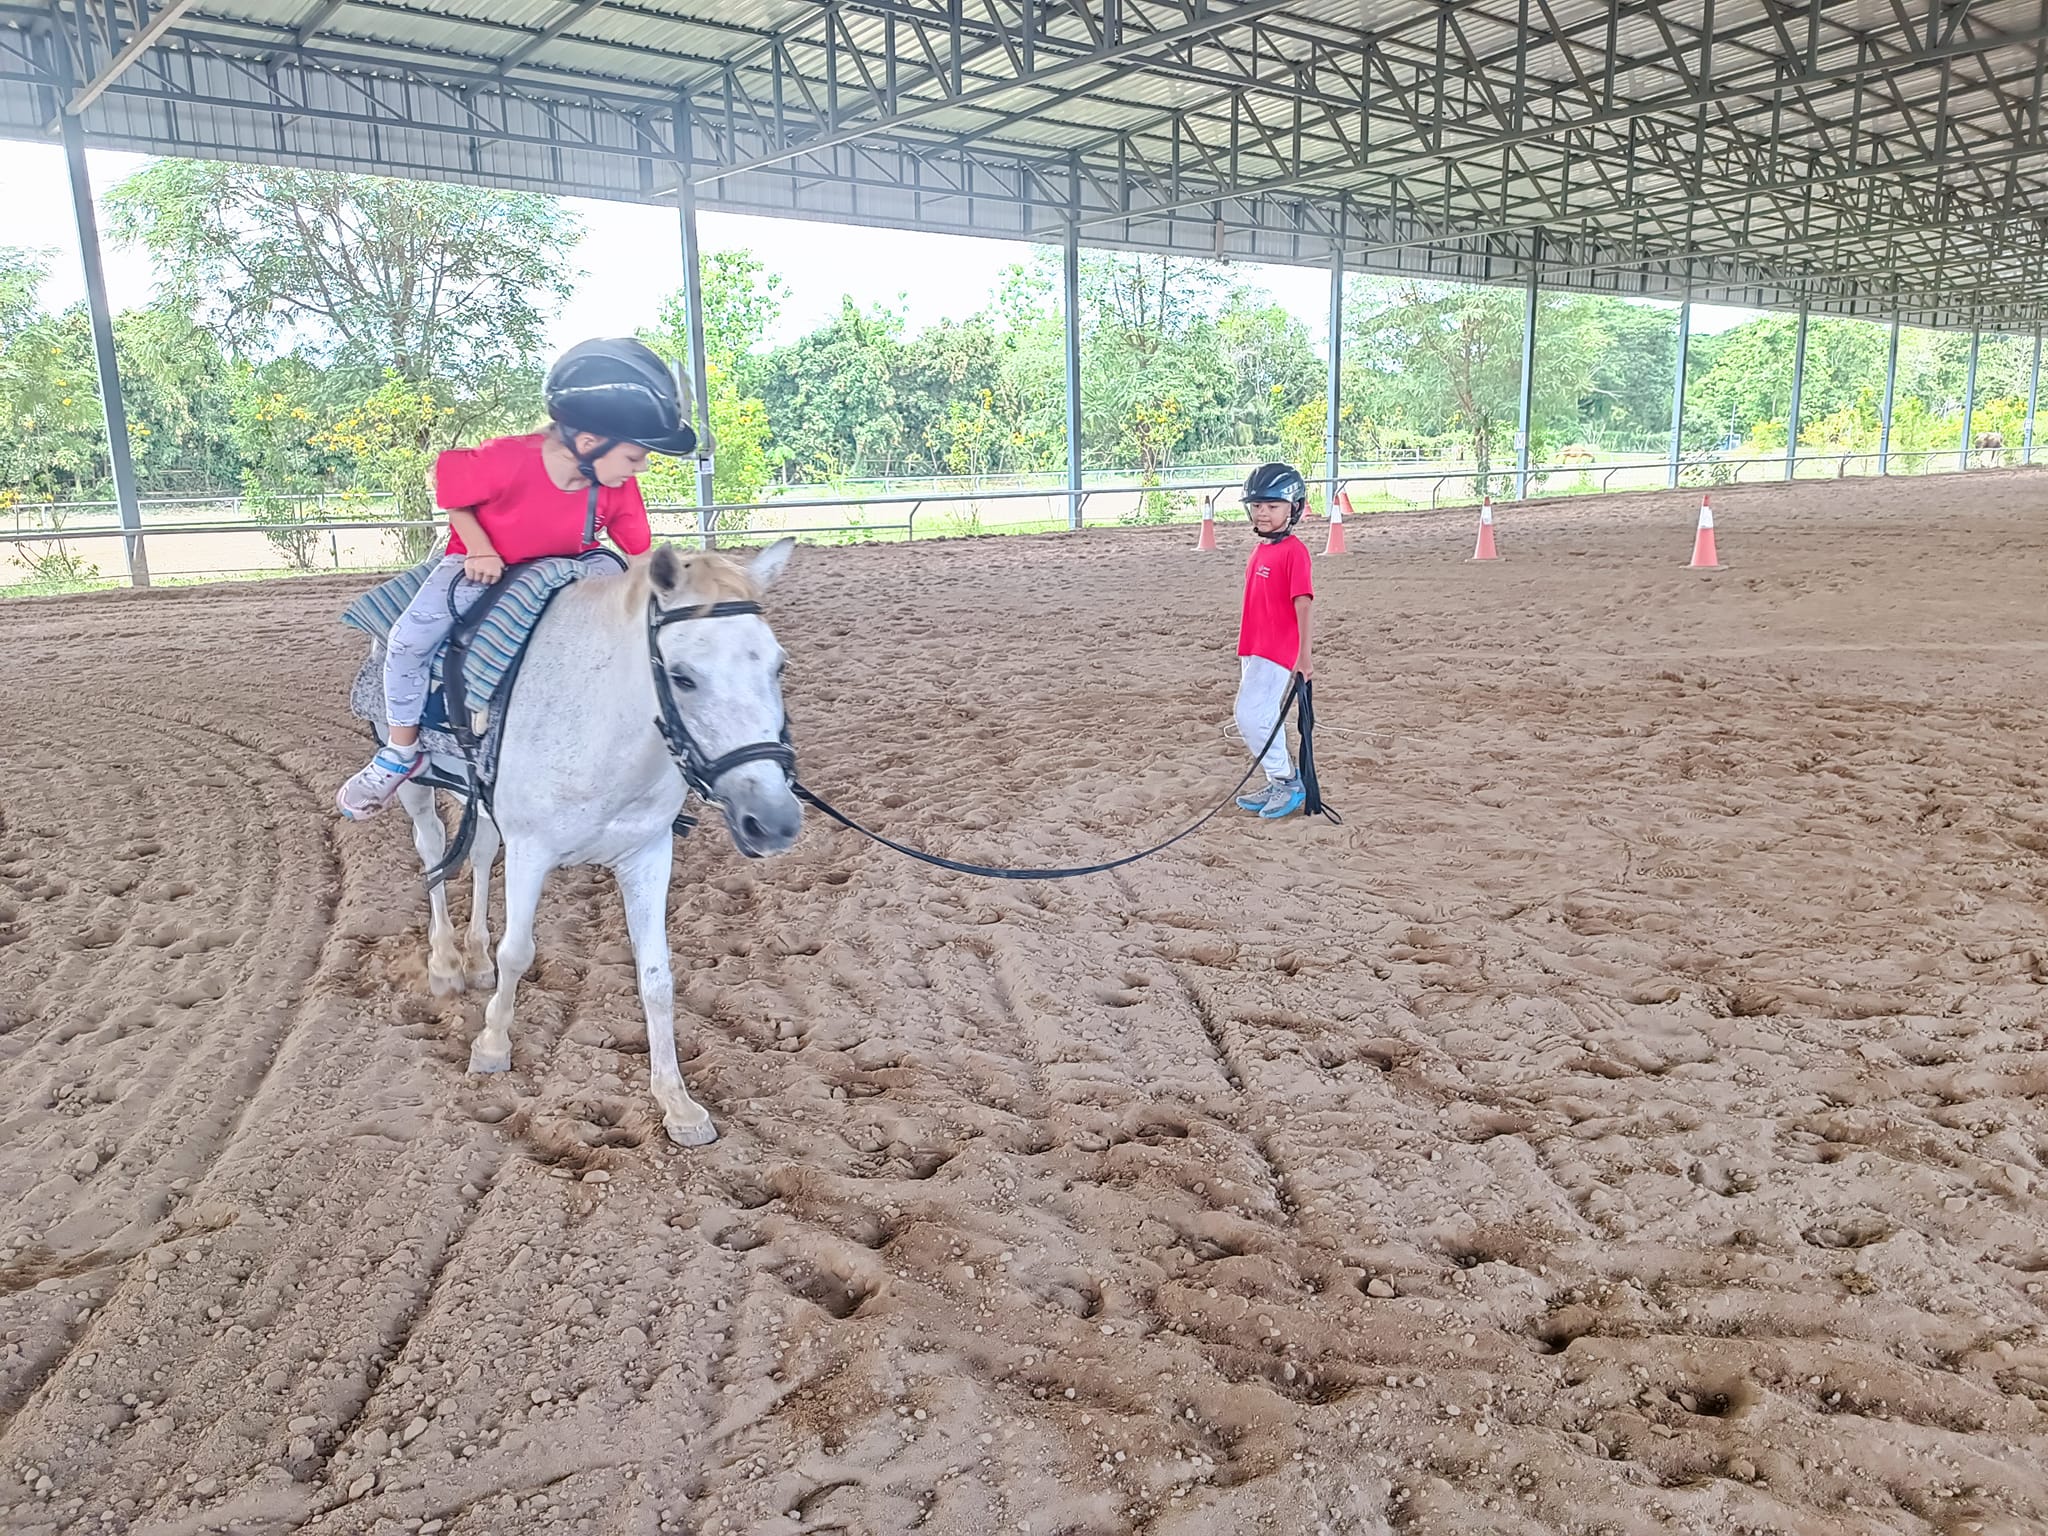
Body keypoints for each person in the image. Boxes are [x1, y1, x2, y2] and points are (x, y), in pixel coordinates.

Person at [335, 337, 697, 821]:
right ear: (590, 443)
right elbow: (452, 491)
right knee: (407, 641)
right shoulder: (507, 459)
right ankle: (400, 752)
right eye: (635, 457)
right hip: (485, 561)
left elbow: (638, 556)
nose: (642, 467)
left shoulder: (615, 485)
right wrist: (479, 548)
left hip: (571, 561)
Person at [1231, 461, 1315, 820]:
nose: (1262, 513)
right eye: (1257, 505)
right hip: (1254, 646)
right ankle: (1278, 778)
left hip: (1277, 650)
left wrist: (1304, 656)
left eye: (1272, 505)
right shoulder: (1261, 550)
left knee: (1248, 715)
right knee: (1261, 715)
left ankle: (1286, 779)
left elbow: (1303, 603)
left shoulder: (1294, 552)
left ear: (1293, 508)